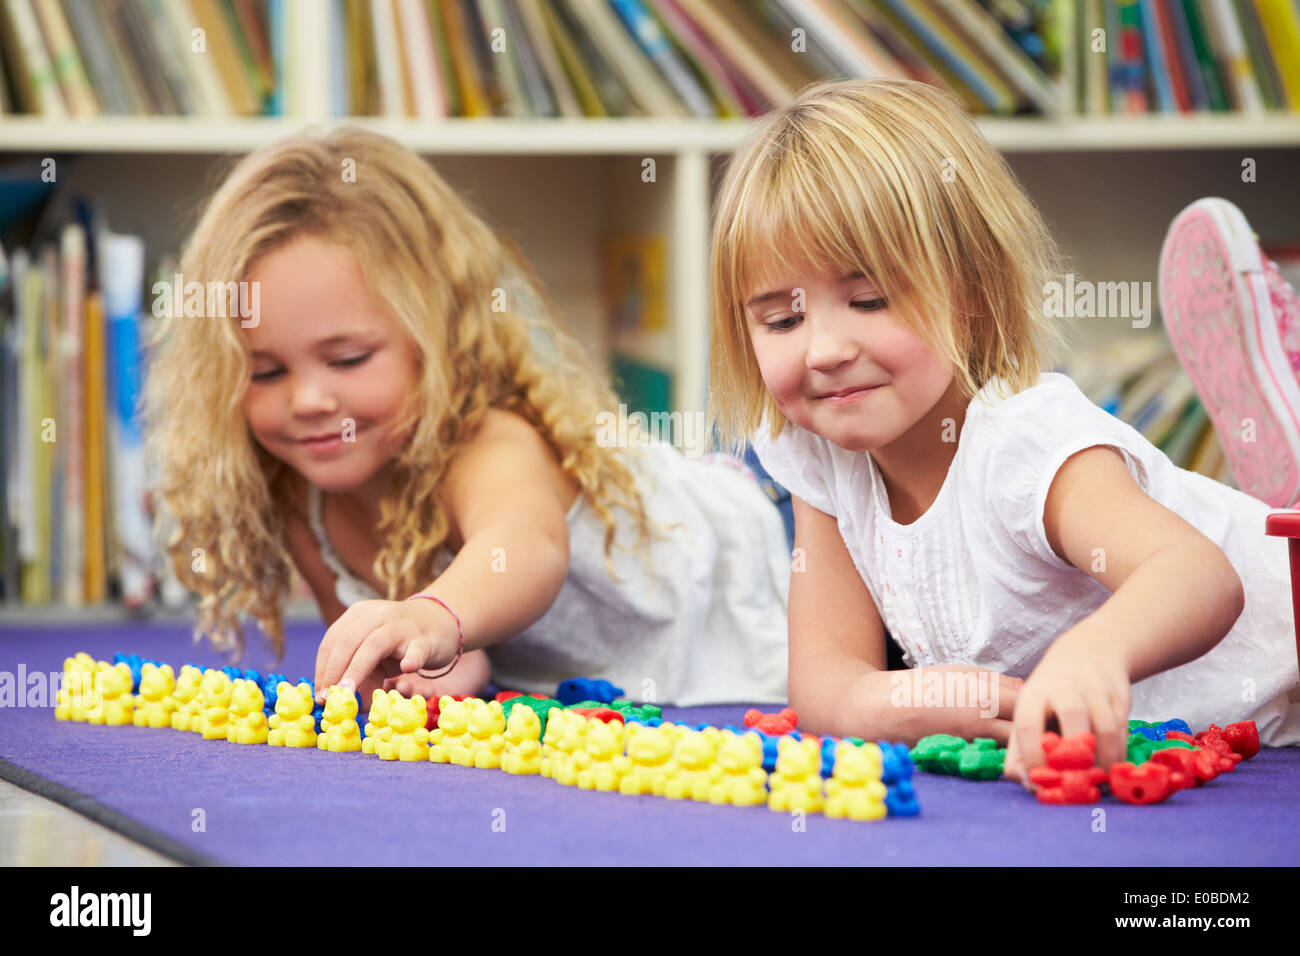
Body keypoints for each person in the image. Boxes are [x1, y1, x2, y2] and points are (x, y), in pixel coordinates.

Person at [706, 78, 1298, 783]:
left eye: (869, 301)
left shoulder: (1022, 440)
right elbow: (826, 671)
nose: (824, 350)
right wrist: (889, 702)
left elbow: (1199, 575)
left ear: (972, 297)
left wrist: (1091, 655)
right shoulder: (815, 453)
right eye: (783, 320)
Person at [142, 127, 790, 710]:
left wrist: (432, 617)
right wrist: (434, 659)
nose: (307, 400)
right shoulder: (305, 503)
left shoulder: (488, 441)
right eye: (265, 372)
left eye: (348, 359)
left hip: (771, 548)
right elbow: (406, 644)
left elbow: (526, 549)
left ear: (438, 342)